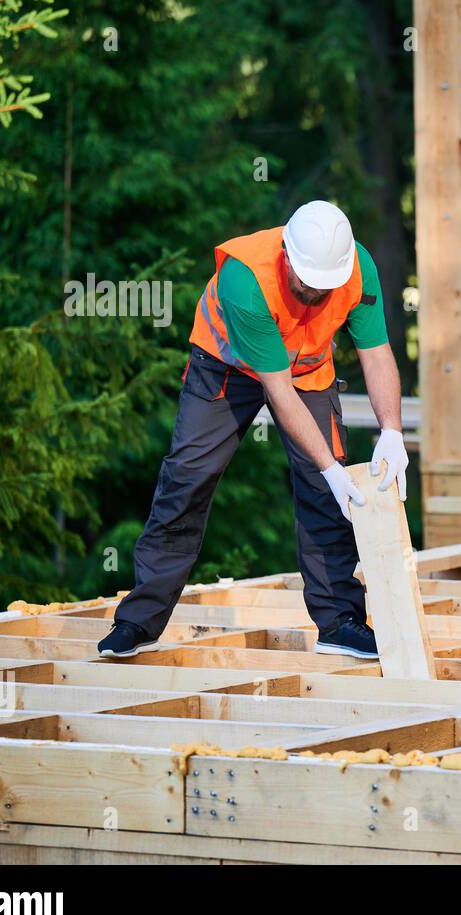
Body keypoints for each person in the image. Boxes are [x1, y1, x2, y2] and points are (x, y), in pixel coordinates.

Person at [97, 200, 406, 660]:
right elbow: (278, 394)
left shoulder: (357, 270)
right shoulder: (247, 278)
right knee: (188, 477)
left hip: (307, 367)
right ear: (287, 256)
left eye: (326, 287)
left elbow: (377, 354)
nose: (316, 294)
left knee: (328, 496)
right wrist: (328, 467)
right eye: (307, 284)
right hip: (226, 366)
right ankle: (138, 621)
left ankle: (339, 621)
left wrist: (392, 431)